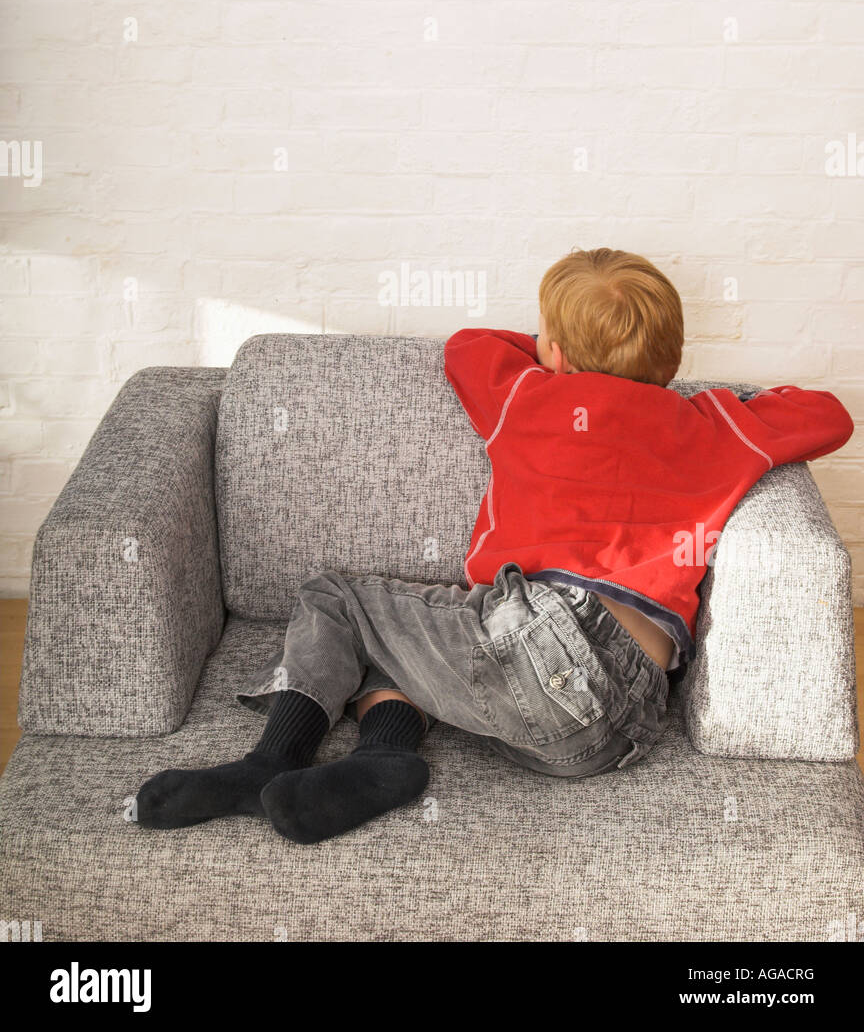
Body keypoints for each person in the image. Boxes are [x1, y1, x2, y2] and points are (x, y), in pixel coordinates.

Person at [134, 247, 853, 844]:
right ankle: (385, 756)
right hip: (618, 725)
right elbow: (828, 414)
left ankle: (271, 759)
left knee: (337, 601)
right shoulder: (718, 426)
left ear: (558, 352)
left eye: (549, 338)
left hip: (545, 646)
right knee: (404, 637)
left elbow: (469, 346)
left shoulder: (527, 395)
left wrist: (552, 354)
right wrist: (722, 398)